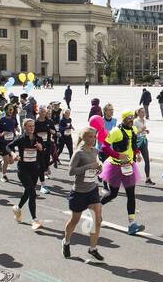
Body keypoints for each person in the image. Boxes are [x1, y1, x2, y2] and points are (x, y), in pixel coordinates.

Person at [99, 110, 145, 235]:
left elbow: (132, 146)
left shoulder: (134, 130)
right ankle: (96, 207)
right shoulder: (116, 131)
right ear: (123, 119)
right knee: (113, 194)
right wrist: (117, 155)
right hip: (115, 167)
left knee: (131, 194)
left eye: (132, 117)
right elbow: (104, 147)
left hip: (129, 166)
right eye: (128, 118)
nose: (131, 120)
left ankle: (132, 224)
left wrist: (137, 153)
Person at [62, 127, 104, 261]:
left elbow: (96, 168)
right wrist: (89, 167)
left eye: (94, 136)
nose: (93, 139)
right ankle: (66, 242)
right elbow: (71, 171)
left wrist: (99, 168)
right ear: (84, 138)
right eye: (91, 137)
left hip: (92, 189)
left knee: (97, 219)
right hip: (79, 192)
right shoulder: (78, 153)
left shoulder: (95, 151)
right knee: (75, 220)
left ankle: (93, 248)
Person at [9, 119, 46, 230]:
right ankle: (34, 220)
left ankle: (17, 208)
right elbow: (8, 146)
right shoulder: (20, 139)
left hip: (34, 169)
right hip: (23, 169)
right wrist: (13, 154)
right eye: (29, 126)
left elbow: (43, 151)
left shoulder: (38, 139)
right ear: (25, 127)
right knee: (32, 193)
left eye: (33, 126)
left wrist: (41, 148)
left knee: (28, 192)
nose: (32, 128)